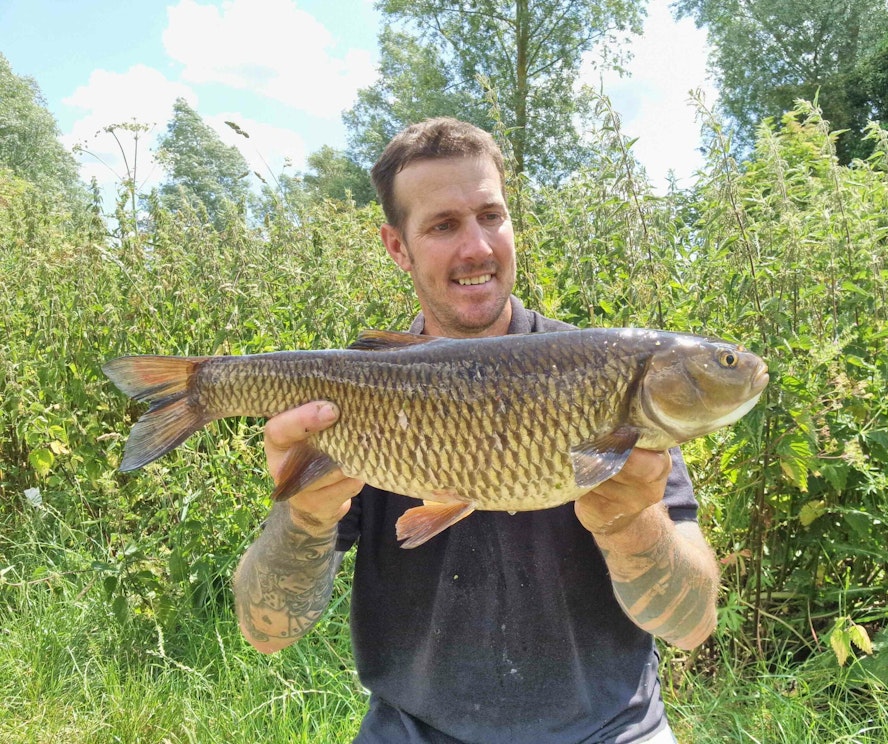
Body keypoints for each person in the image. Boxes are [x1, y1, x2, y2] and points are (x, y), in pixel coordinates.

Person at [233, 118, 720, 744]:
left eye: (491, 215)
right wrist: (303, 517)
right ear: (397, 247)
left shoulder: (604, 372)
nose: (477, 248)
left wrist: (632, 525)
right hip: (415, 731)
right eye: (443, 225)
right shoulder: (359, 386)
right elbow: (266, 633)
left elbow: (692, 626)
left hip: (609, 728)